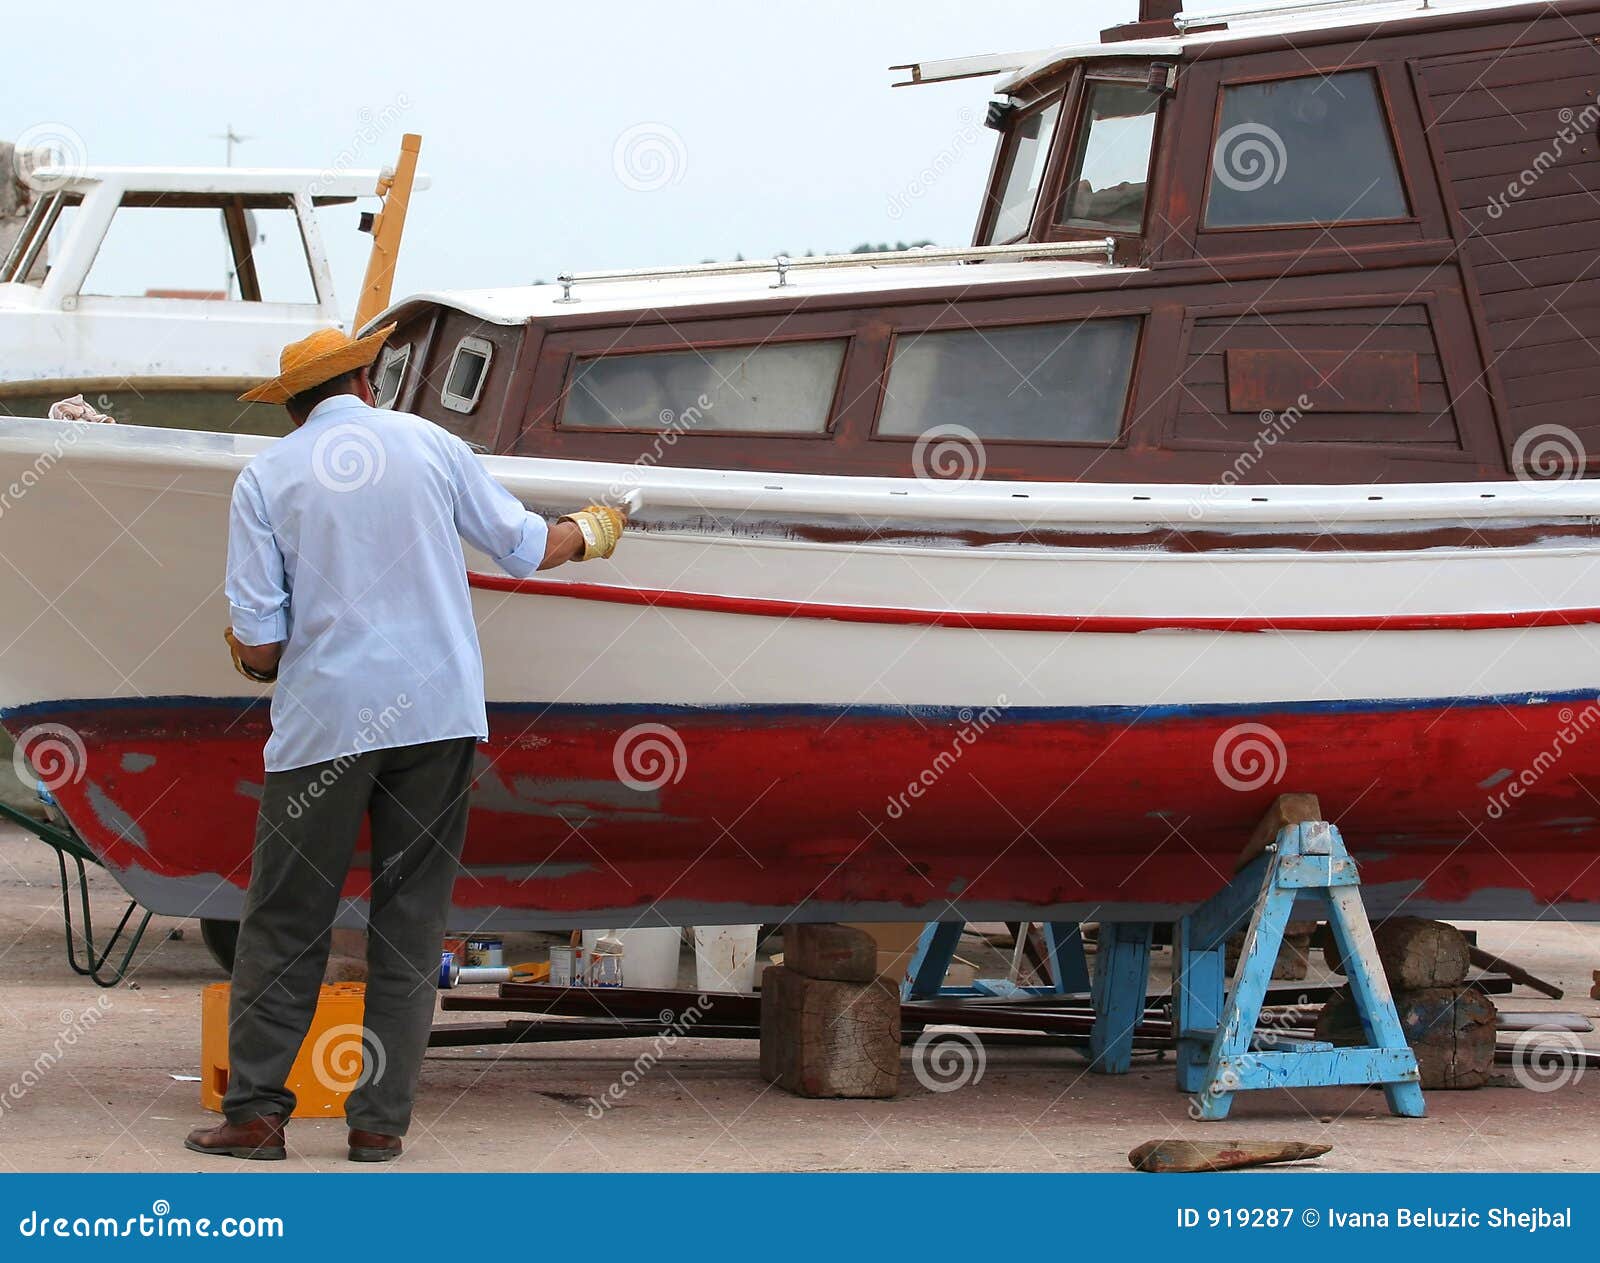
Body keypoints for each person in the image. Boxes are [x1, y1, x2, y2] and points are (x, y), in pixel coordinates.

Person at [185, 324, 625, 1163]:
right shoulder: (432, 444)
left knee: (285, 920)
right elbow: (530, 548)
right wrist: (594, 528)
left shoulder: (267, 477)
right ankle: (379, 1124)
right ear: (367, 382)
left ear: (293, 407)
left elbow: (262, 645)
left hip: (326, 725)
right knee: (411, 919)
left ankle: (256, 1116)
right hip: (436, 714)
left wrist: (246, 653)